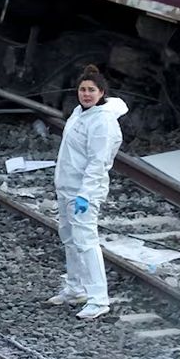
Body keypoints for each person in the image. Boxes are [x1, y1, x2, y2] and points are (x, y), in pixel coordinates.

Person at [50, 65, 126, 320]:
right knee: (70, 239)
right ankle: (76, 287)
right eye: (82, 89)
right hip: (67, 187)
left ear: (101, 92)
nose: (86, 94)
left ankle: (98, 298)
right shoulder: (79, 113)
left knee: (86, 242)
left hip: (84, 192)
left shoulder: (102, 122)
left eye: (91, 90)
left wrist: (86, 193)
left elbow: (98, 162)